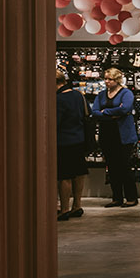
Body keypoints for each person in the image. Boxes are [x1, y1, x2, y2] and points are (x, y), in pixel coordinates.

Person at [91, 68, 138, 207]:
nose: (106, 82)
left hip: (123, 135)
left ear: (117, 80)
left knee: (124, 166)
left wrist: (104, 112)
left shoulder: (126, 93)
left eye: (110, 79)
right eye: (105, 79)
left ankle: (131, 197)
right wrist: (111, 114)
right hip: (107, 134)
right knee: (111, 168)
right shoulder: (101, 95)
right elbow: (94, 112)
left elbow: (125, 109)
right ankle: (117, 197)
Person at [56, 68, 89, 220]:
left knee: (65, 176)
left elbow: (55, 122)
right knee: (79, 173)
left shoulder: (58, 99)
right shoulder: (78, 95)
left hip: (63, 141)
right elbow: (88, 113)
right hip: (79, 139)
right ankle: (77, 205)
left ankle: (64, 209)